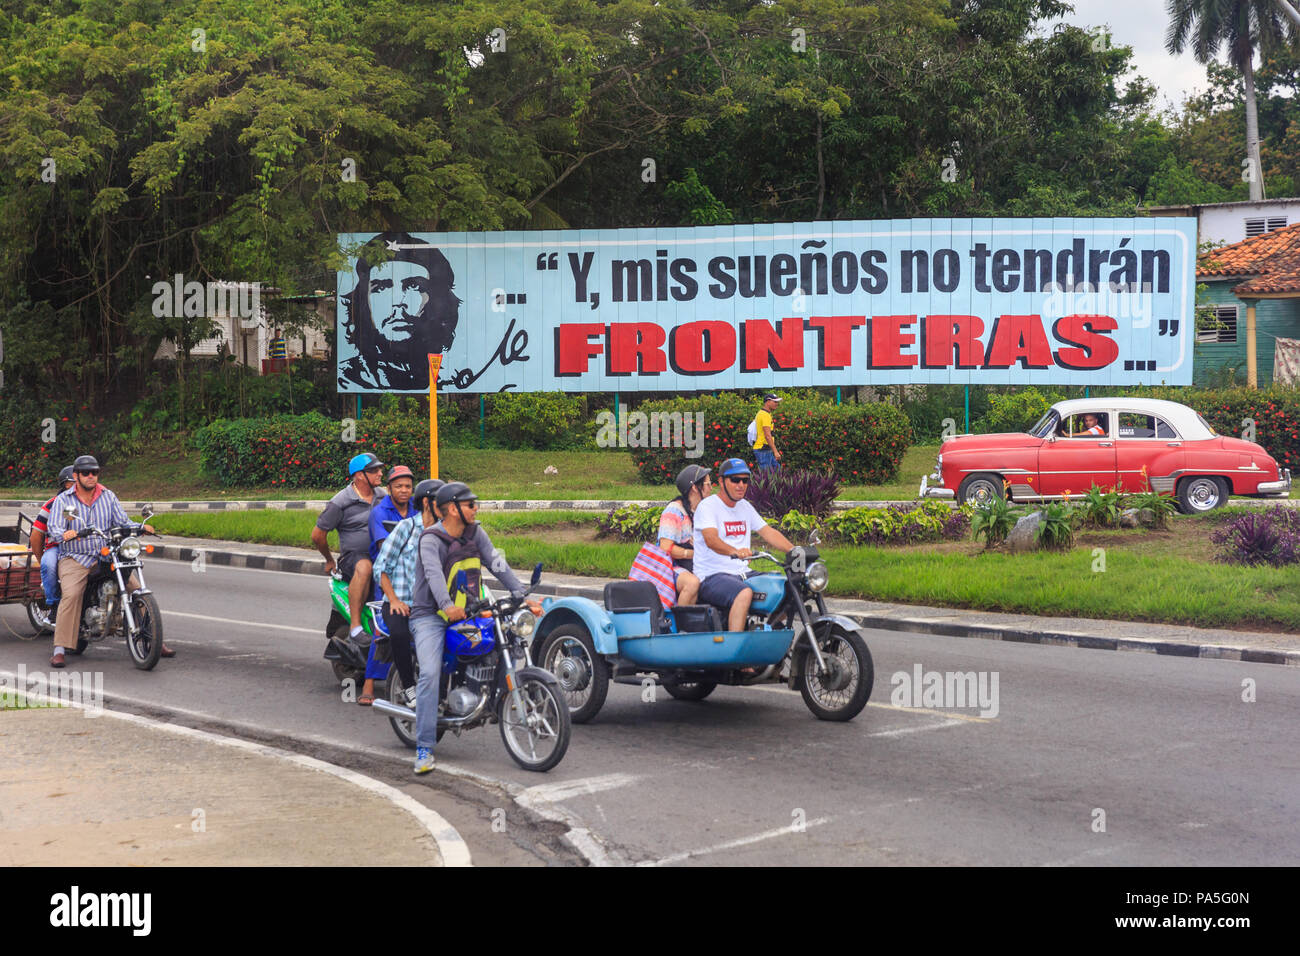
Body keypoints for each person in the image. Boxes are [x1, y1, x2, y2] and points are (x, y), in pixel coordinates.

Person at [407, 482, 540, 775]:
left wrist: (522, 597)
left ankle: (490, 699)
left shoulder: (475, 532)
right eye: (470, 504)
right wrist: (446, 605)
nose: (476, 508)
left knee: (505, 641)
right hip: (430, 614)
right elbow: (433, 576)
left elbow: (497, 563)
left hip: (469, 609)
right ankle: (424, 748)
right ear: (453, 509)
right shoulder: (430, 539)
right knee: (430, 673)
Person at [45, 456, 167, 668]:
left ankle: (153, 639)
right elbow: (54, 528)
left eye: (95, 472)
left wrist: (140, 527)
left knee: (135, 588)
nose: (91, 476)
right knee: (72, 594)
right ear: (76, 476)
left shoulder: (108, 496)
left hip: (106, 553)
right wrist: (66, 534)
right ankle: (60, 648)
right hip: (76, 557)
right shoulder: (64, 500)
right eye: (86, 473)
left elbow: (121, 521)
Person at [338, 232, 462, 390]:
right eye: (382, 287)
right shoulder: (348, 377)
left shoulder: (452, 378)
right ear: (363, 301)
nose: (397, 303)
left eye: (413, 286)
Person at [693, 458, 796, 634]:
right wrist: (734, 551)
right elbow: (711, 539)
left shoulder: (745, 507)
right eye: (735, 480)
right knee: (744, 593)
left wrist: (795, 551)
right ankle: (736, 654)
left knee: (789, 590)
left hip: (743, 573)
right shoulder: (708, 506)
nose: (741, 485)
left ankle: (763, 634)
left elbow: (768, 532)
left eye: (745, 480)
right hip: (712, 576)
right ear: (721, 482)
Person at [369, 478, 445, 708]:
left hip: (430, 606)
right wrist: (393, 600)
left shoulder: (445, 533)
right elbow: (381, 567)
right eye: (441, 502)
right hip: (399, 601)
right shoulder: (407, 528)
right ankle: (409, 685)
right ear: (427, 503)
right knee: (400, 634)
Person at [312, 452, 387, 649]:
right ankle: (355, 628)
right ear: (360, 475)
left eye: (380, 469)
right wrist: (329, 560)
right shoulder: (341, 501)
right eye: (374, 470)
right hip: (353, 557)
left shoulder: (382, 495)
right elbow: (318, 535)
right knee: (364, 567)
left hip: (381, 553)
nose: (380, 473)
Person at [658, 465, 711, 606]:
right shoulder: (675, 511)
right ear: (695, 488)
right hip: (671, 566)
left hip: (696, 564)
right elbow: (665, 548)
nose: (711, 488)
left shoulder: (702, 510)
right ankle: (680, 623)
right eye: (708, 484)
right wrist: (693, 553)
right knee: (692, 583)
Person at [28, 465, 76, 614]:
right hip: (57, 546)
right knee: (48, 565)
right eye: (71, 482)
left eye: (77, 481)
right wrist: (41, 558)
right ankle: (54, 605)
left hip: (84, 546)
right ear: (64, 484)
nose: (75, 485)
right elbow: (36, 535)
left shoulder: (89, 501)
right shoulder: (55, 503)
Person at [752, 393, 783, 471]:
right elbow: (768, 435)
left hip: (766, 449)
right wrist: (775, 452)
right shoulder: (765, 415)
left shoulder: (764, 413)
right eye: (775, 402)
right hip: (762, 450)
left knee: (777, 471)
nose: (777, 404)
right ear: (768, 402)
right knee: (767, 477)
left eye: (777, 402)